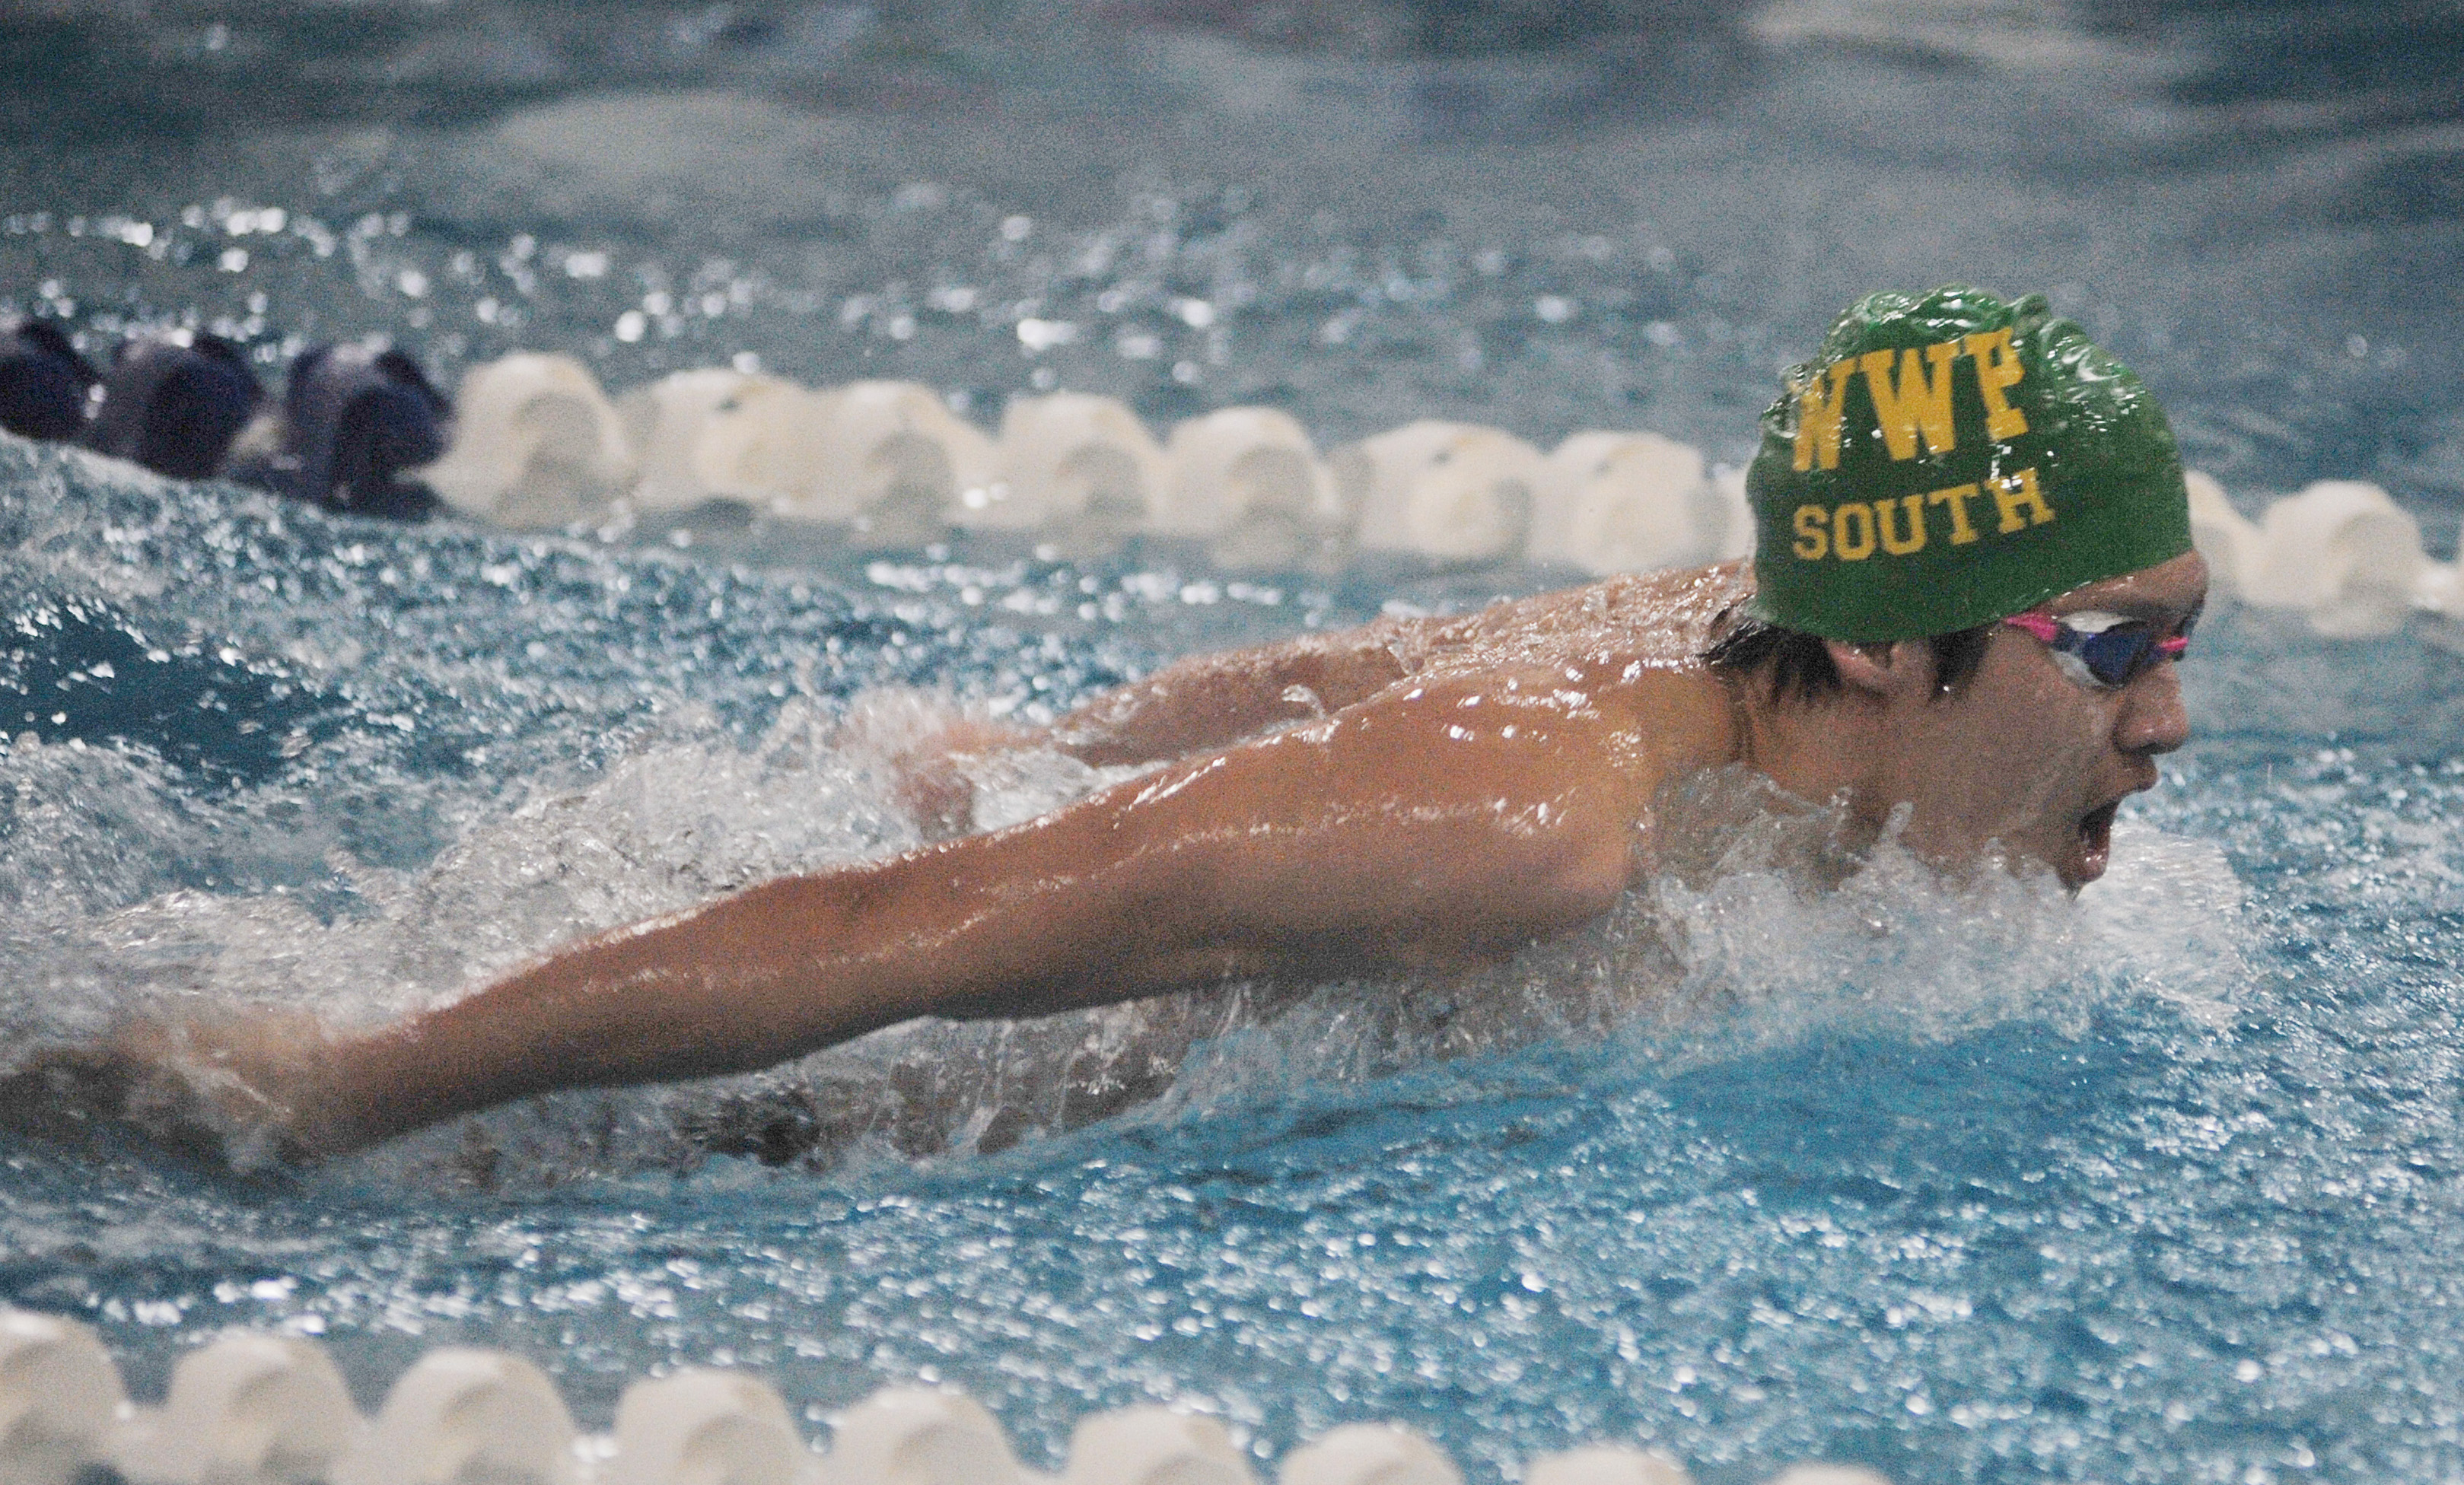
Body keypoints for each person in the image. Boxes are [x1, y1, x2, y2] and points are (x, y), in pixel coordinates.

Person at [1, 286, 2204, 1169]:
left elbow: (1336, 677)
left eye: (2186, 641)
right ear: (1895, 648)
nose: (2170, 722)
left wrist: (1043, 741)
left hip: (902, 928)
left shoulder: (1739, 637)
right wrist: (353, 1081)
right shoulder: (1535, 828)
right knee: (146, 1083)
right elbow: (904, 936)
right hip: (805, 1081)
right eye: (2114, 649)